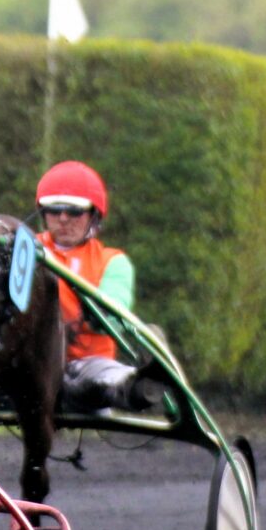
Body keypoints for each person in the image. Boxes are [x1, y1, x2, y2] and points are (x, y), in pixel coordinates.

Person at [34, 160, 163, 412]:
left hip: (84, 366)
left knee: (99, 377)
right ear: (43, 213)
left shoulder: (113, 262)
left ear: (93, 216)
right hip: (32, 364)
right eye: (54, 210)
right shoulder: (25, 248)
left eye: (74, 212)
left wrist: (99, 315)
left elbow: (115, 310)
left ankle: (138, 385)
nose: (63, 218)